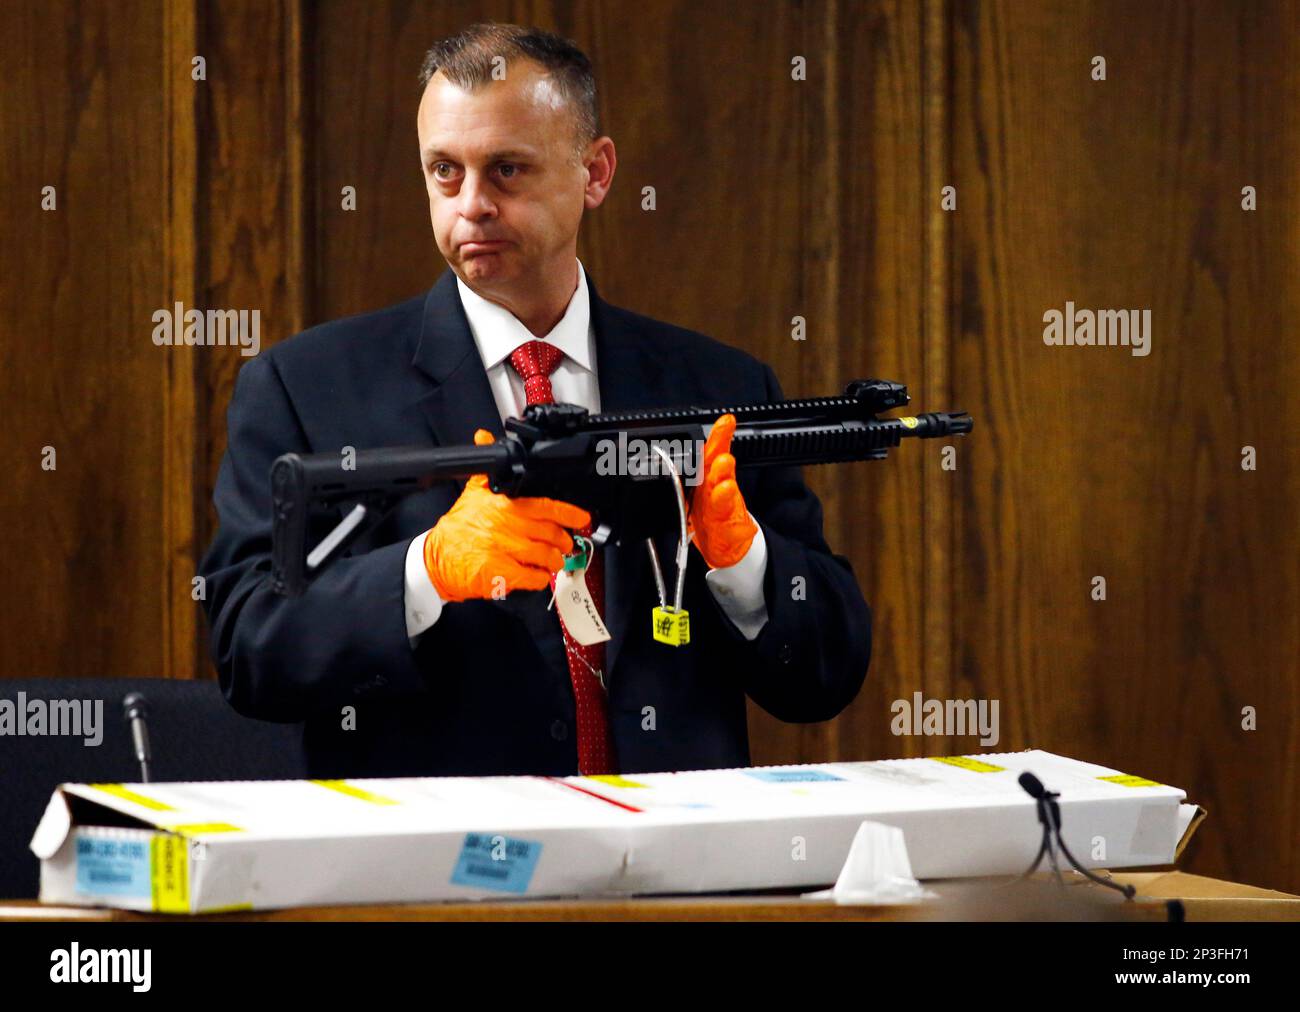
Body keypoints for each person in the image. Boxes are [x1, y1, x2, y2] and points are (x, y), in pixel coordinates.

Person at [200, 22, 871, 778]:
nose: (472, 205)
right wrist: (424, 571)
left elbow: (825, 677)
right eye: (444, 172)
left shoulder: (719, 387)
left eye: (508, 170)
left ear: (596, 171)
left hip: (674, 873)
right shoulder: (306, 388)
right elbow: (248, 649)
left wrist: (744, 561)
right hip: (442, 875)